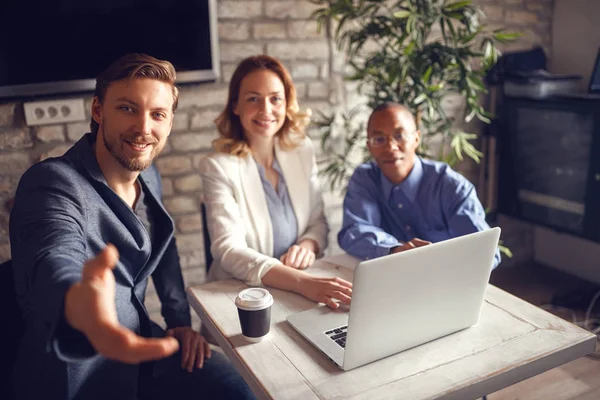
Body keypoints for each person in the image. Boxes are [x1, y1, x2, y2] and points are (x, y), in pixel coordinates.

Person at [9, 53, 254, 400]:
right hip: (76, 373)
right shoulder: (51, 183)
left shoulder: (148, 174)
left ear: (169, 122)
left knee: (243, 391)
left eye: (157, 114)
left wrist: (179, 321)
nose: (143, 127)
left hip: (145, 347)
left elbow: (164, 249)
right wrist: (81, 306)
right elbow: (55, 257)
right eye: (127, 108)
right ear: (98, 110)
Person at [199, 55, 352, 309]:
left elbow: (318, 222)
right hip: (242, 298)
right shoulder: (218, 167)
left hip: (299, 292)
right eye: (253, 99)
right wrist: (301, 282)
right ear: (235, 106)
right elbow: (228, 249)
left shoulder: (302, 151)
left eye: (275, 98)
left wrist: (308, 245)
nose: (266, 109)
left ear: (287, 103)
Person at [338, 102, 501, 268]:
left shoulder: (451, 187)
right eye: (379, 139)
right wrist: (394, 250)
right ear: (369, 146)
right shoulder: (365, 179)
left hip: (443, 280)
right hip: (390, 278)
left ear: (416, 139)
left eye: (399, 136)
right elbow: (354, 231)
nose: (391, 147)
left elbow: (486, 252)